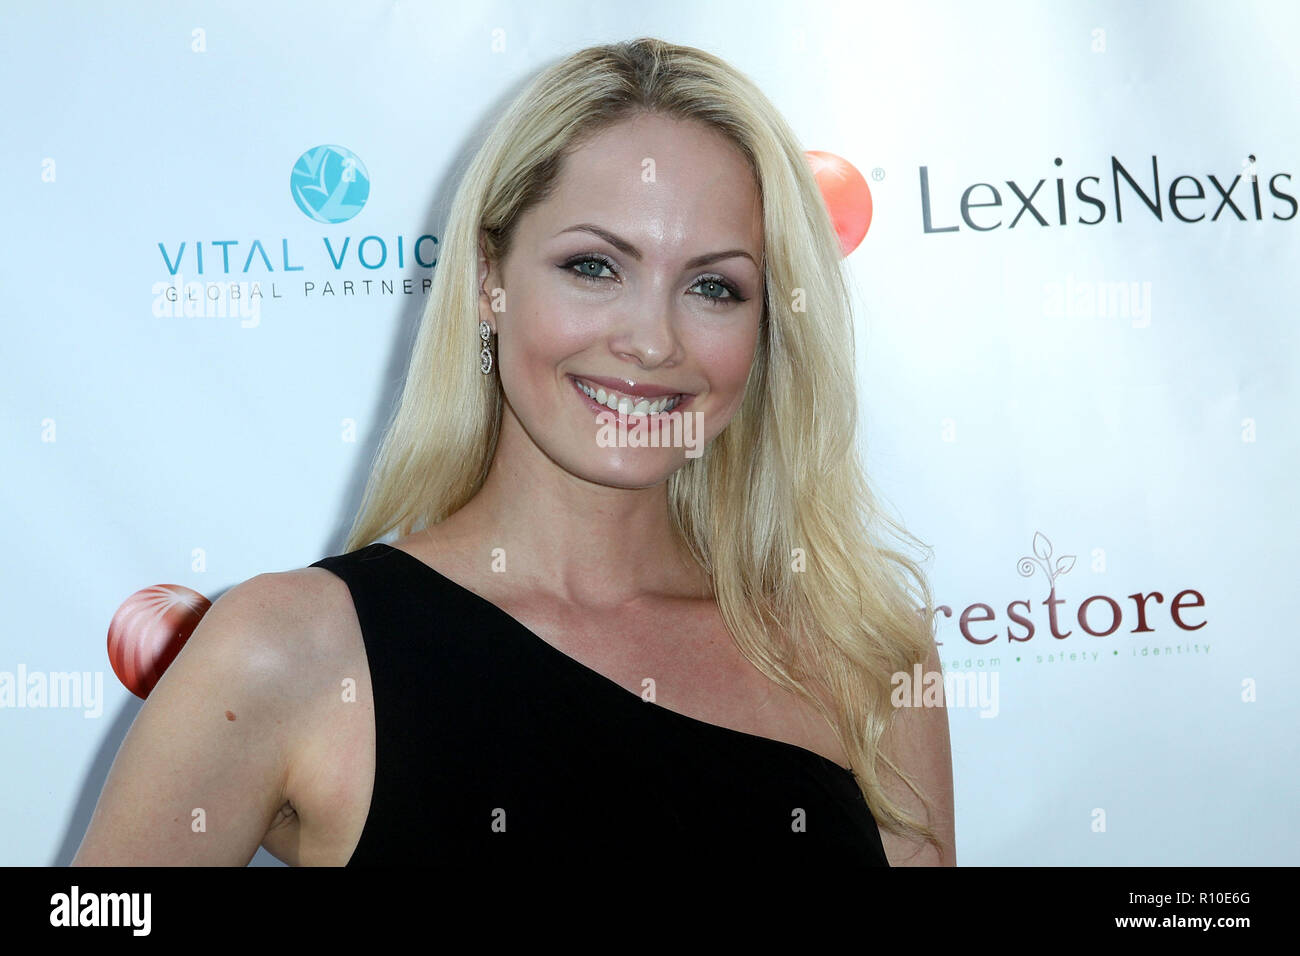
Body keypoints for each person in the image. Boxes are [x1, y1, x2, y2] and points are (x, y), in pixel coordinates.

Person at [72, 36, 954, 869]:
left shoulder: (863, 656)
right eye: (595, 267)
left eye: (714, 286)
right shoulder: (291, 651)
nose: (652, 340)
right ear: (490, 278)